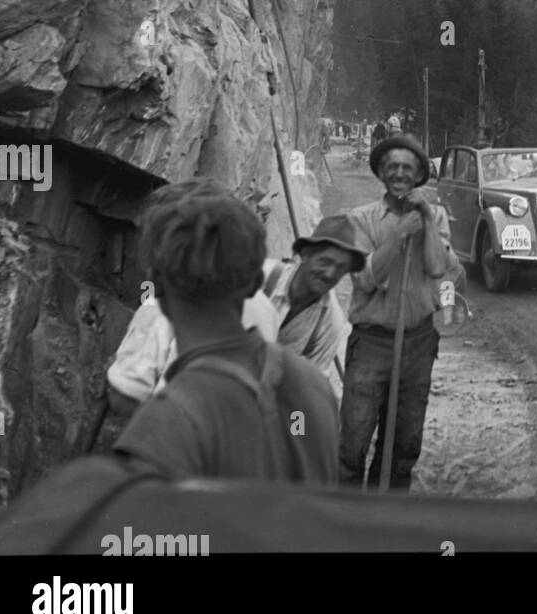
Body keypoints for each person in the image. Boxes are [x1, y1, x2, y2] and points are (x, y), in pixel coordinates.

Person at [111, 186, 339, 483]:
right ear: (256, 279)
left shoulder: (173, 415)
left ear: (158, 280)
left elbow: (124, 396)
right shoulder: (312, 384)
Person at [340, 132, 456, 491]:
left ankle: (387, 515)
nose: (400, 173)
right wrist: (400, 234)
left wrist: (423, 220)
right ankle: (344, 519)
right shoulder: (359, 219)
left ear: (420, 173)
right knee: (353, 439)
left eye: (408, 167)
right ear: (381, 173)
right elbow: (366, 278)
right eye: (392, 167)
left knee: (405, 442)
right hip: (372, 343)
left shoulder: (434, 217)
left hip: (418, 342)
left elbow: (438, 269)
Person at [261, 214, 369, 376]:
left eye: (340, 268)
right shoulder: (261, 277)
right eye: (325, 262)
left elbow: (311, 382)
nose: (330, 274)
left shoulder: (330, 323)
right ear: (305, 255)